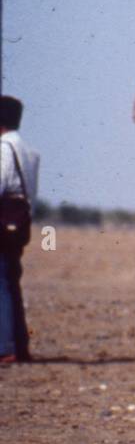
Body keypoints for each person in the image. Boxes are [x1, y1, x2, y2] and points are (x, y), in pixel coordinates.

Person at [0, 94, 39, 364]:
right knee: (11, 282)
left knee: (1, 283)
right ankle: (18, 345)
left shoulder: (3, 149)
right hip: (20, 223)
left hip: (3, 222)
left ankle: (6, 347)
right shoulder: (29, 151)